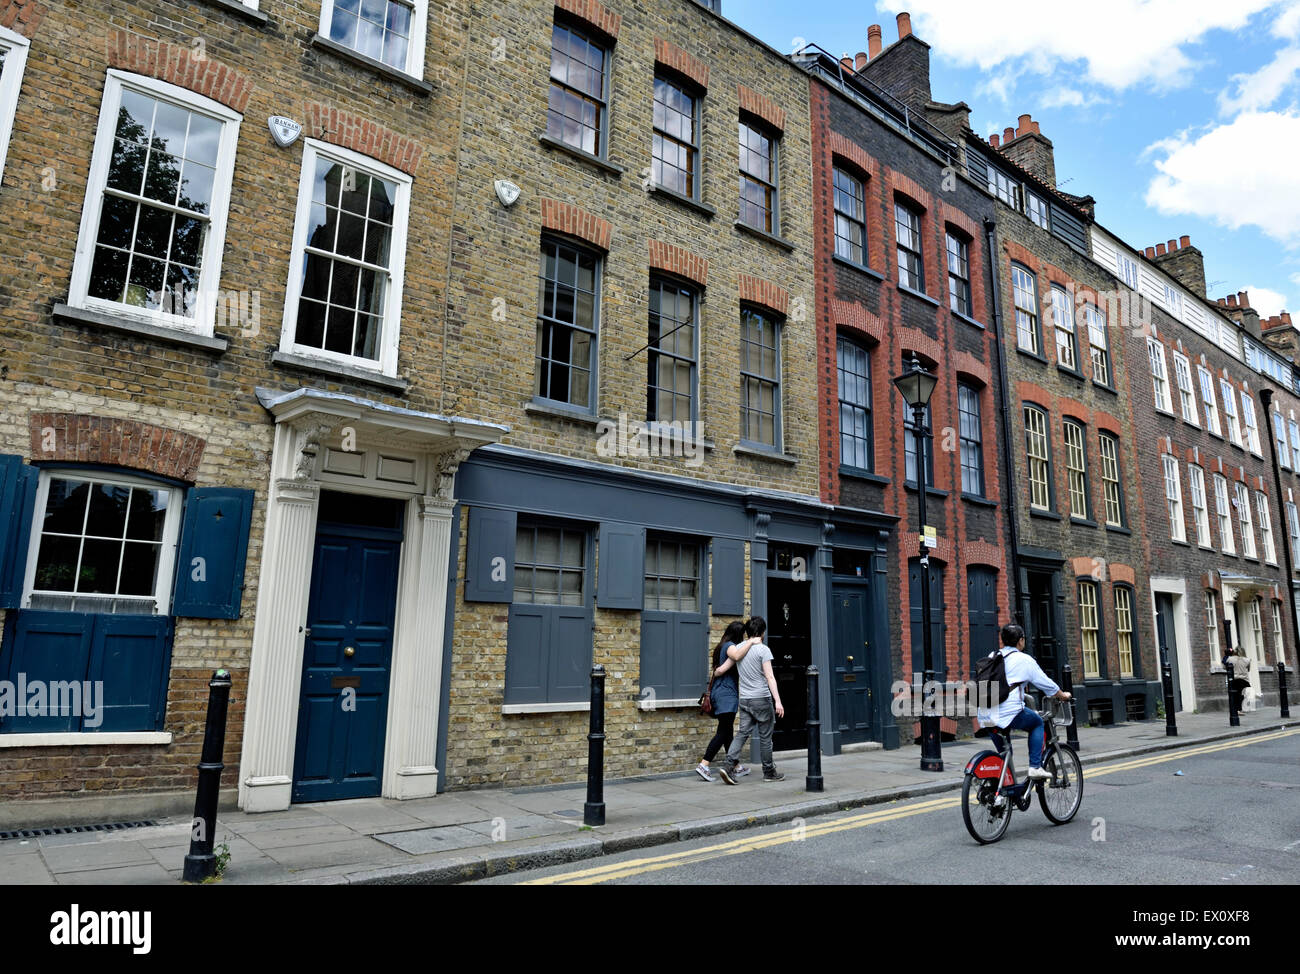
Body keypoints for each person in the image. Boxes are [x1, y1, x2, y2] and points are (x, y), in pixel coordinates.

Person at [976, 623, 1071, 781]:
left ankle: (1000, 795)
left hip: (985, 713)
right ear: (1021, 641)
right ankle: (1035, 767)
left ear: (1003, 641)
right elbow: (1047, 684)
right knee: (1037, 723)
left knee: (1005, 754)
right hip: (1007, 712)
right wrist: (1063, 695)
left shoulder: (993, 655)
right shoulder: (1024, 660)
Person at [717, 616, 785, 784]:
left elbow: (723, 669)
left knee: (742, 733)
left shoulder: (738, 648)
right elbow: (769, 676)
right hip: (761, 699)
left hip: (745, 699)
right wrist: (778, 701)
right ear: (762, 632)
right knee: (765, 738)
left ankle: (728, 766)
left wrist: (715, 673)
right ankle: (769, 772)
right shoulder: (763, 650)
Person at [695, 622, 756, 781]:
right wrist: (751, 641)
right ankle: (704, 764)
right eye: (742, 635)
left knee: (727, 733)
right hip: (726, 695)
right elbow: (735, 656)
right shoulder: (730, 646)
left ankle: (735, 767)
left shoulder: (721, 645)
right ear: (738, 635)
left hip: (721, 693)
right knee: (723, 732)